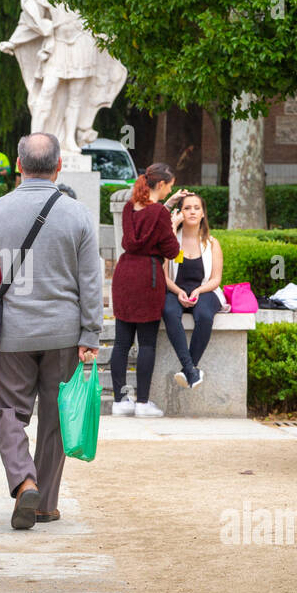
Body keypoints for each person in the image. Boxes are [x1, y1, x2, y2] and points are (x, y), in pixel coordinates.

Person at [0, 132, 102, 529]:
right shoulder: (78, 214)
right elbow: (91, 281)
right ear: (59, 166)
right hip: (63, 334)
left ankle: (23, 480)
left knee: (10, 410)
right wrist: (91, 334)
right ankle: (45, 503)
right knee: (55, 416)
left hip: (11, 333)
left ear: (16, 165)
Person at [109, 163, 178, 418]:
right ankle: (143, 402)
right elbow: (172, 250)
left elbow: (130, 240)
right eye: (170, 185)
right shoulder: (160, 213)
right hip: (148, 276)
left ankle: (119, 400)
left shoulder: (129, 207)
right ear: (161, 185)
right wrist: (173, 221)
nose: (171, 189)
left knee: (121, 342)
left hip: (125, 274)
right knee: (147, 343)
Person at [161, 190, 226, 389]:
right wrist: (178, 291)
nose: (192, 212)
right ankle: (191, 370)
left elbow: (216, 279)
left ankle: (188, 369)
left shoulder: (212, 243)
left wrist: (198, 291)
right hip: (174, 289)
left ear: (203, 213)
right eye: (187, 208)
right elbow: (164, 276)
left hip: (205, 291)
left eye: (197, 208)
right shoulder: (172, 242)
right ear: (180, 212)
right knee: (169, 312)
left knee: (205, 315)